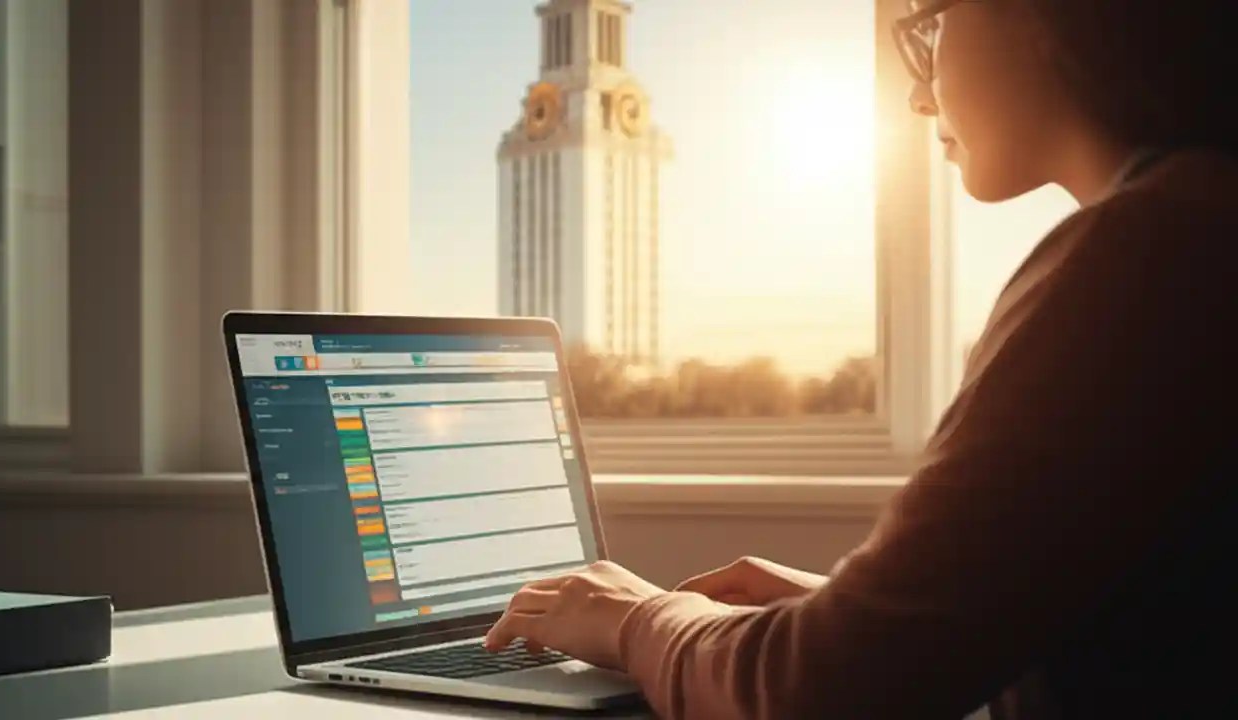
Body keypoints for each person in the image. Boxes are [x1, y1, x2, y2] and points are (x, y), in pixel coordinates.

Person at [486, 0, 1238, 717]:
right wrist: (850, 612)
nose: (918, 93)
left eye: (929, 28)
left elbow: (818, 692)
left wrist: (638, 619)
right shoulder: (1194, 222)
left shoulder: (1144, 260)